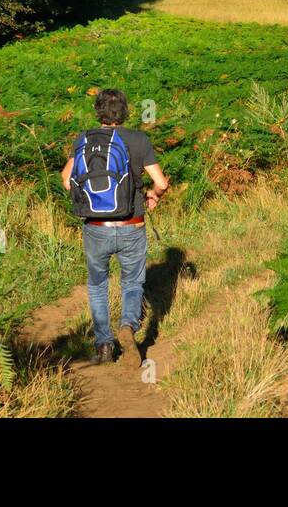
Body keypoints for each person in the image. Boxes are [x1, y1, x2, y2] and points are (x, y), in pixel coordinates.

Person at [60, 88, 170, 370]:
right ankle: (129, 327)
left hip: (96, 227)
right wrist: (154, 196)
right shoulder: (138, 139)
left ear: (98, 111)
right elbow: (161, 182)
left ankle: (104, 344)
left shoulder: (83, 139)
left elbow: (65, 180)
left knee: (97, 285)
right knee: (132, 282)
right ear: (125, 111)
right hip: (132, 224)